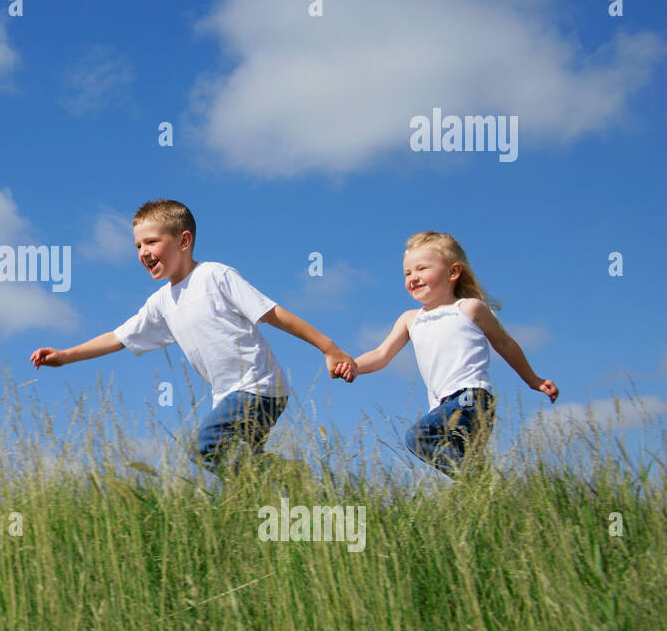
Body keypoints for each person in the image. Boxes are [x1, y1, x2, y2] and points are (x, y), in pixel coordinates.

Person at [30, 199, 356, 477]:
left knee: (205, 447)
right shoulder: (162, 303)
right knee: (241, 474)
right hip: (229, 397)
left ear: (183, 241)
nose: (143, 251)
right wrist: (65, 355)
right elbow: (118, 337)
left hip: (259, 389)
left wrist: (329, 348)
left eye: (152, 242)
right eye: (138, 246)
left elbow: (273, 314)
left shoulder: (215, 276)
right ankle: (282, 489)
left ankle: (288, 474)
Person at [341, 231, 558, 477]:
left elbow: (505, 344)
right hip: (442, 407)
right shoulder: (410, 319)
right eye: (407, 273)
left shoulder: (468, 309)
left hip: (472, 399)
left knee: (419, 437)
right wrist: (353, 365)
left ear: (453, 273)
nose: (413, 277)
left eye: (422, 269)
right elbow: (381, 354)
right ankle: (490, 495)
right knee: (461, 463)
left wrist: (534, 380)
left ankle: (483, 484)